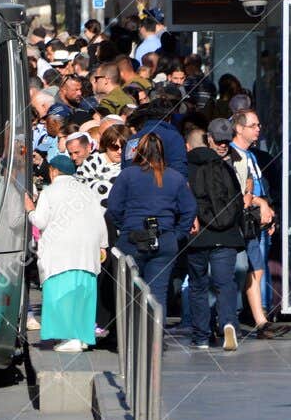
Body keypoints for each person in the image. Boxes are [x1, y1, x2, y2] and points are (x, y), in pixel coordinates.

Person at [106, 132, 197, 323]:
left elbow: (113, 207)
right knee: (158, 294)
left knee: (130, 295)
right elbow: (190, 209)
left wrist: (125, 227)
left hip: (133, 238)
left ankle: (132, 336)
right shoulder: (176, 177)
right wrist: (176, 234)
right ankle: (156, 336)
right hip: (164, 239)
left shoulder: (127, 175)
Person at [27, 154, 109, 354]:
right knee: (82, 296)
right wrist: (102, 245)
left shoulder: (49, 192)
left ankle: (70, 338)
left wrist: (30, 210)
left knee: (61, 296)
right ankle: (81, 337)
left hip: (60, 254)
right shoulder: (86, 190)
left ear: (53, 171)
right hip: (86, 253)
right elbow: (100, 220)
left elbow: (40, 221)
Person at [186, 117, 248, 351]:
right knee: (225, 283)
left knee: (198, 285)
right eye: (221, 141)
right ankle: (228, 323)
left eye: (225, 141)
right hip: (227, 235)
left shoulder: (187, 167)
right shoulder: (227, 168)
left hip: (197, 236)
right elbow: (238, 202)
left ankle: (201, 336)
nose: (223, 145)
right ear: (210, 139)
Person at [231, 109, 288, 339]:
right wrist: (261, 204)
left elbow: (258, 187)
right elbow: (239, 192)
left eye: (258, 125)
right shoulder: (233, 156)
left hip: (256, 221)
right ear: (239, 129)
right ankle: (229, 318)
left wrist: (268, 212)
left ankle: (261, 321)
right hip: (241, 222)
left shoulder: (251, 156)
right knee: (240, 270)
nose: (258, 129)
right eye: (253, 125)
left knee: (257, 268)